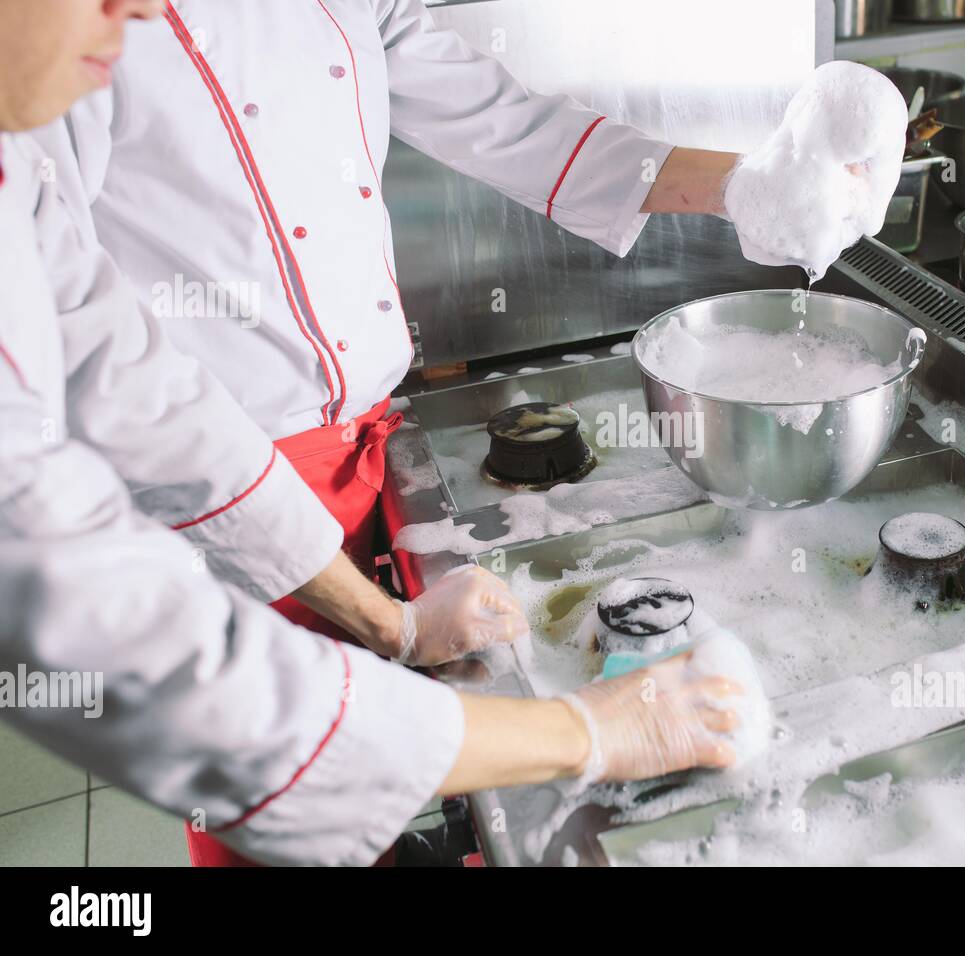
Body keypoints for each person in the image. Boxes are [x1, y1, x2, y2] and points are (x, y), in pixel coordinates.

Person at [0, 0, 744, 867]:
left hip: (335, 451)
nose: (129, 13)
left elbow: (131, 371)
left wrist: (740, 185)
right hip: (224, 490)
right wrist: (581, 732)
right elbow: (215, 707)